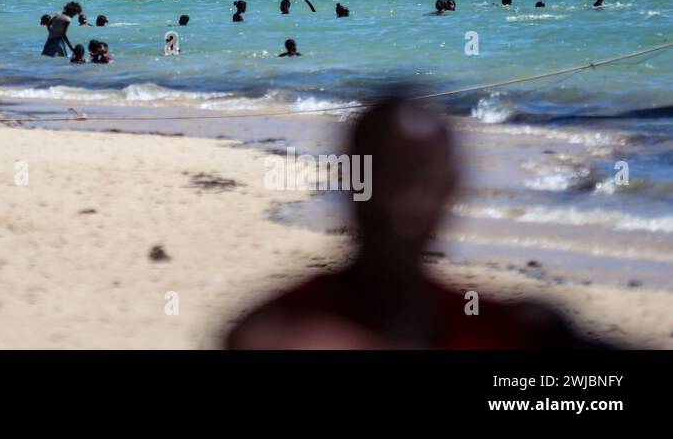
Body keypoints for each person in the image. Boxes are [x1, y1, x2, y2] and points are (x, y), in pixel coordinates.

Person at [225, 94, 600, 349]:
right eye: (385, 179)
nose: (400, 208)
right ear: (349, 183)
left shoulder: (509, 329)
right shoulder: (278, 330)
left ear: (452, 190)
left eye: (422, 183)